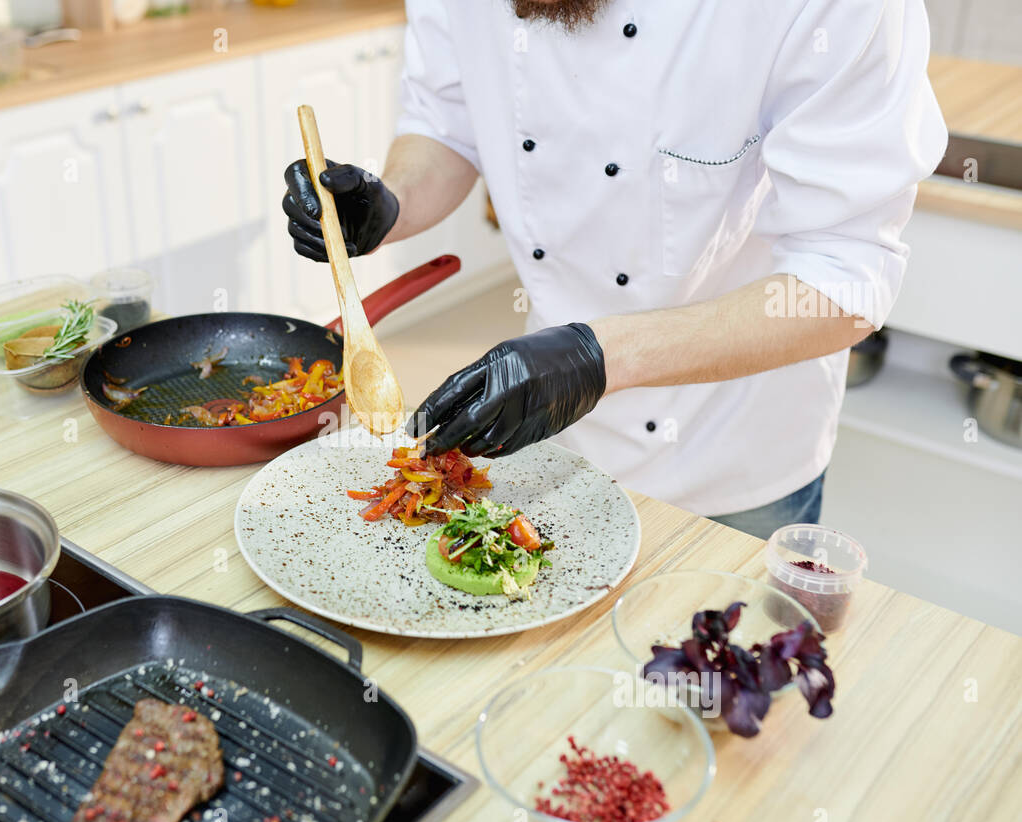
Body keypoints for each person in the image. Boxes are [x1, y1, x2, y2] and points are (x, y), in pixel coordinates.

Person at [282, 0, 947, 538]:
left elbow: (844, 278)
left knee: (718, 691)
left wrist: (599, 357)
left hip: (733, 449)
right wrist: (390, 202)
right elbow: (445, 118)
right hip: (551, 434)